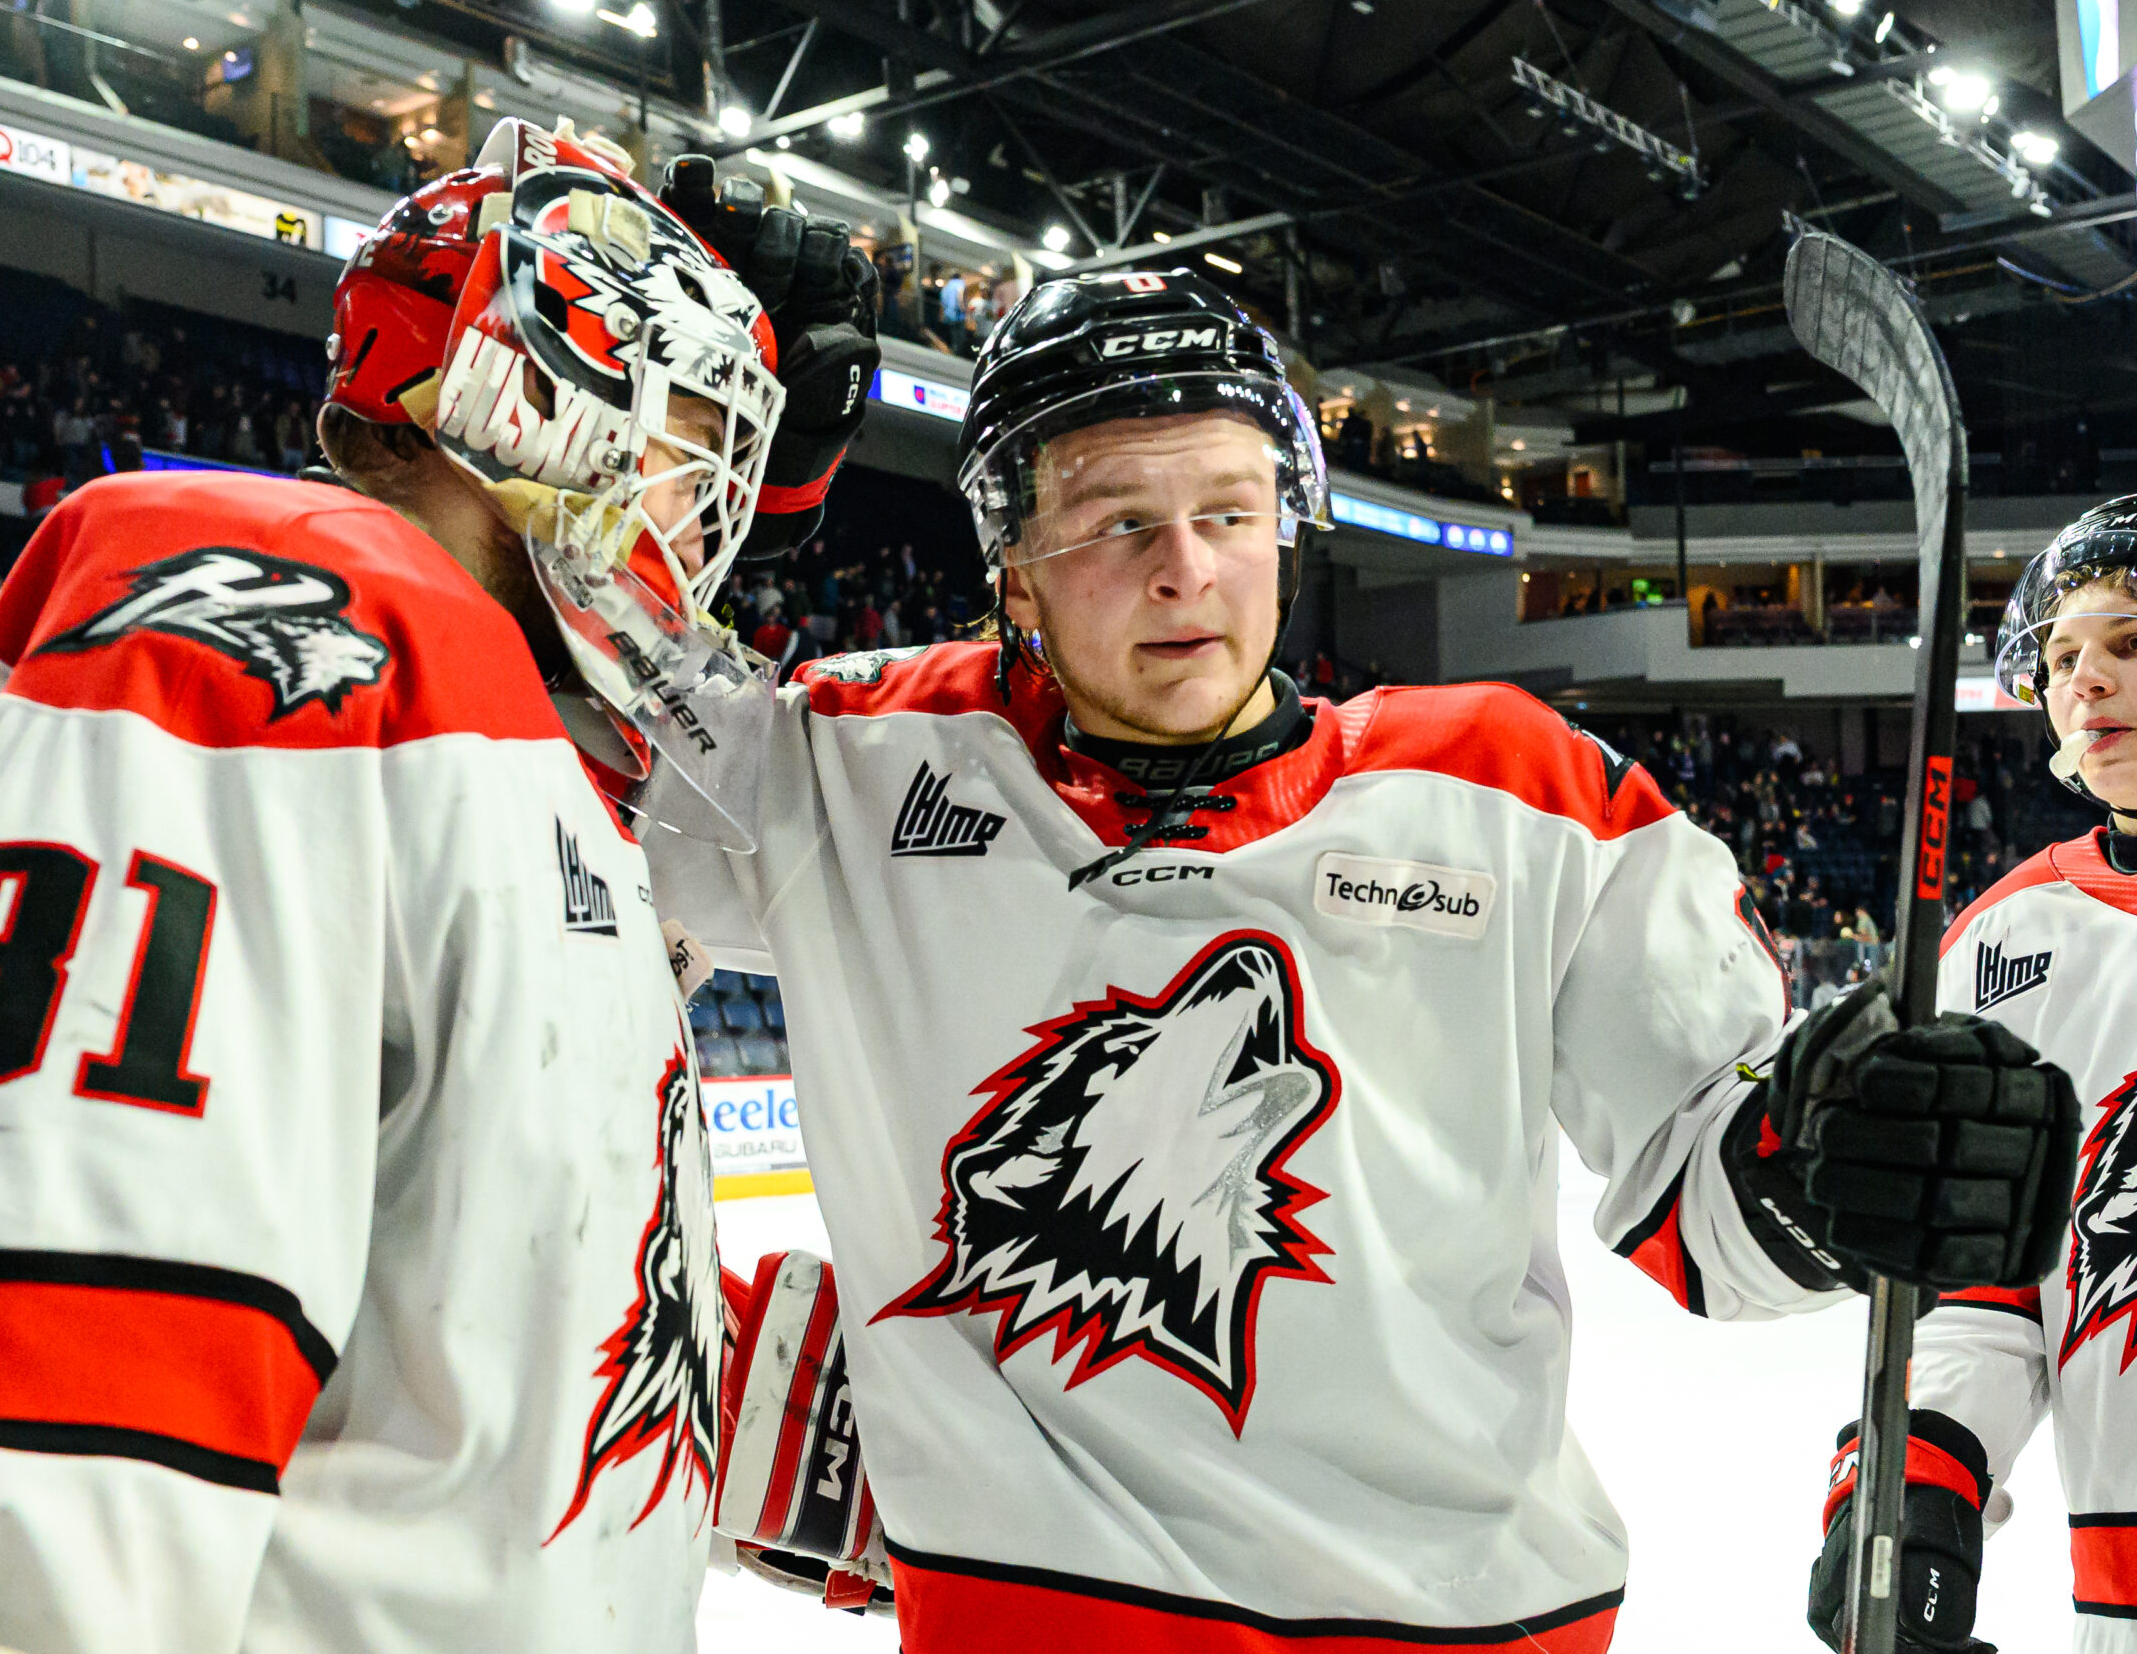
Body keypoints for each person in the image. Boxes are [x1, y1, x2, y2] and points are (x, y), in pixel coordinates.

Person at [637, 266, 2079, 1648]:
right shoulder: (851, 766)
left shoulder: (1516, 791)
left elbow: (1705, 1193)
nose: (1182, 569)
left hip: (1464, 1624)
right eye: (1112, 519)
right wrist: (704, 460)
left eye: (1227, 509)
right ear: (1011, 559)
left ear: (1287, 524)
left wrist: (1828, 1155)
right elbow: (526, 737)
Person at [0, 121, 786, 1654]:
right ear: (541, 397)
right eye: (686, 439)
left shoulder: (519, 748)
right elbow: (10, 1318)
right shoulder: (302, 603)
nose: (706, 513)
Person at [1807, 500, 2137, 1652]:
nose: (2086, 680)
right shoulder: (2005, 943)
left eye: (2127, 643)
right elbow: (1987, 1289)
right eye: (2060, 657)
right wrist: (1913, 1479)